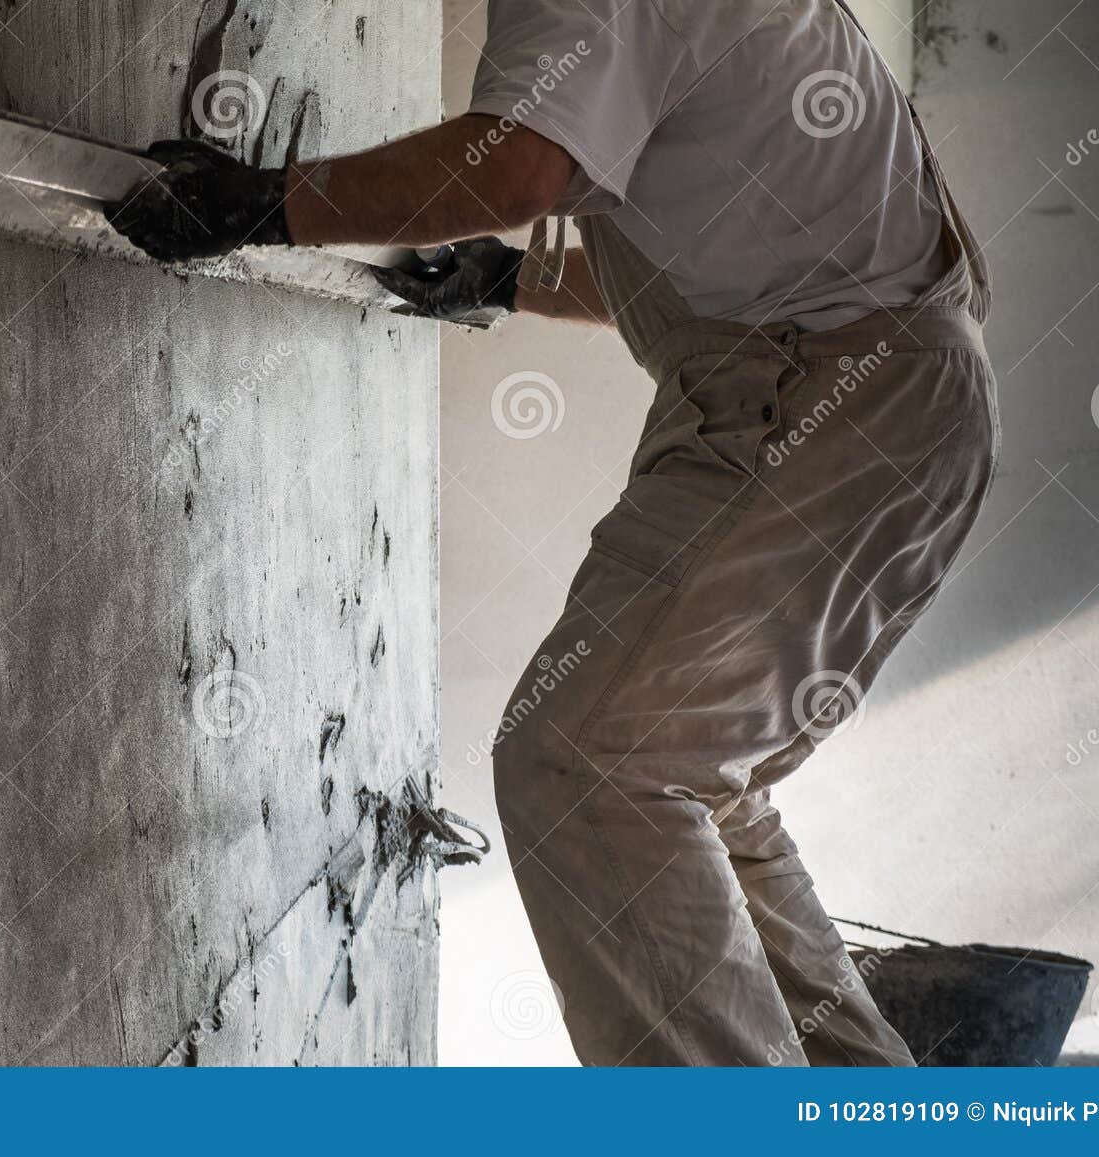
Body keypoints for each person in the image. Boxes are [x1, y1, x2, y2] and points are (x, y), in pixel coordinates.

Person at [106, 0, 997, 1066]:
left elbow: (518, 169)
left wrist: (271, 204)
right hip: (876, 396)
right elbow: (722, 241)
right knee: (690, 789)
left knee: (586, 767)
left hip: (829, 402)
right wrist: (507, 275)